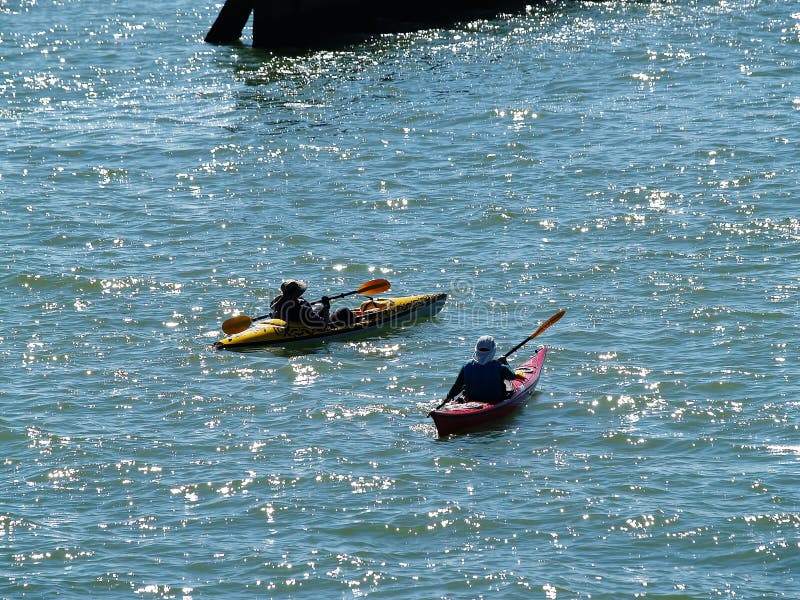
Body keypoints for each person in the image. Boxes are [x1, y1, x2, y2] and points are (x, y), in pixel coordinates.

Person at [444, 335, 523, 404]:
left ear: (476, 349)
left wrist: (449, 396)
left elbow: (457, 386)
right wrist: (505, 362)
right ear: (493, 350)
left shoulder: (466, 366)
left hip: (471, 399)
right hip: (495, 400)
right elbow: (512, 376)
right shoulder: (500, 367)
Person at [268, 279, 354, 328]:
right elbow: (325, 324)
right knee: (344, 311)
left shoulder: (281, 305)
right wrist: (327, 306)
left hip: (299, 320)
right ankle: (356, 320)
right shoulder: (303, 309)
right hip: (314, 324)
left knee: (319, 307)